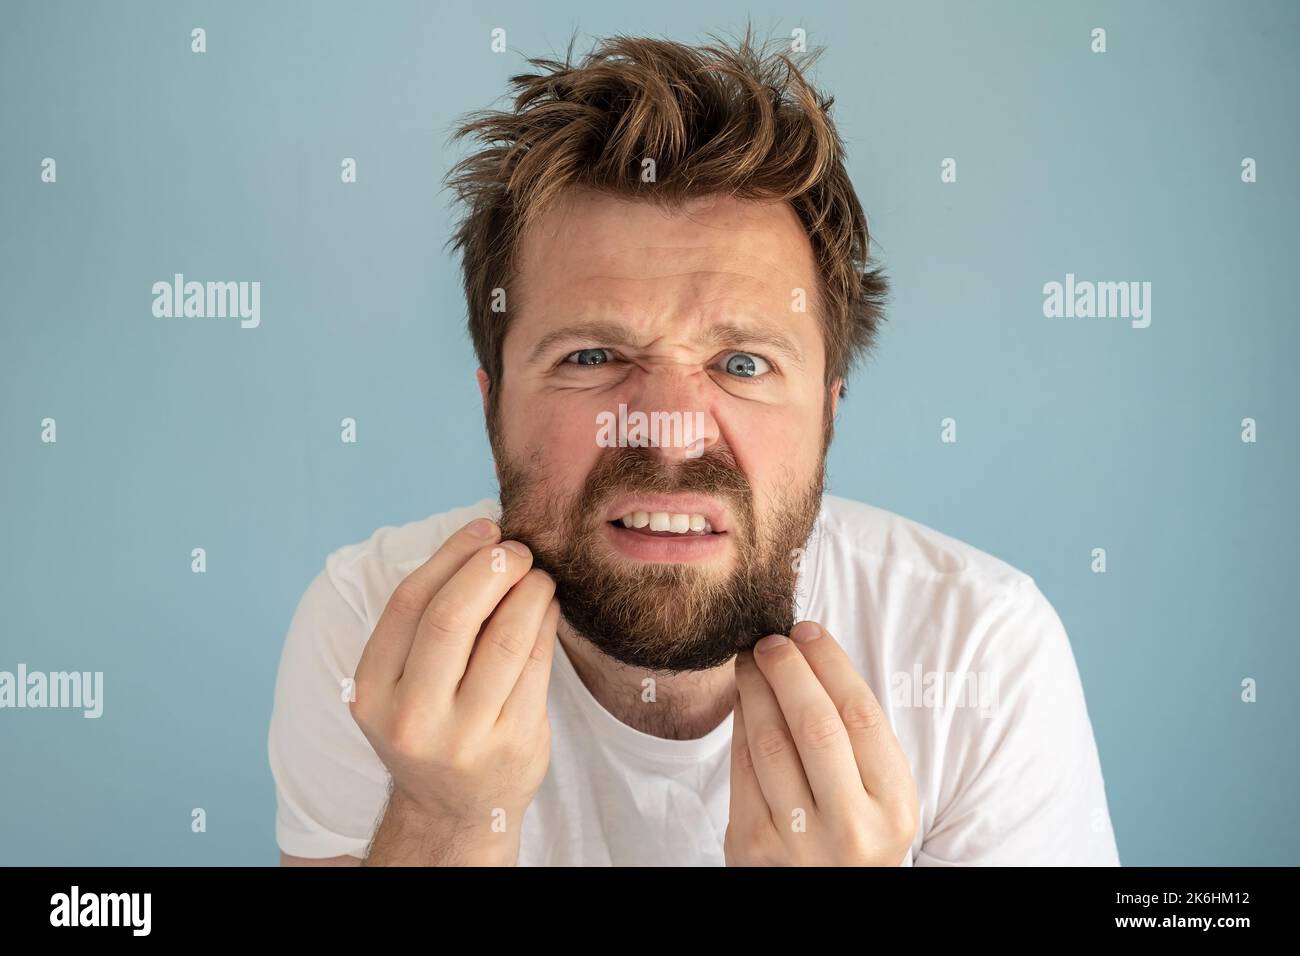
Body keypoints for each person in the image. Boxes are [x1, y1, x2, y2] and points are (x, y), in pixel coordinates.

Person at [269, 32, 1119, 866]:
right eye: (592, 358)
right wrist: (443, 823)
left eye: (742, 364)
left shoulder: (980, 653)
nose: (669, 428)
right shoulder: (370, 629)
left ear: (829, 412)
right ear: (493, 403)